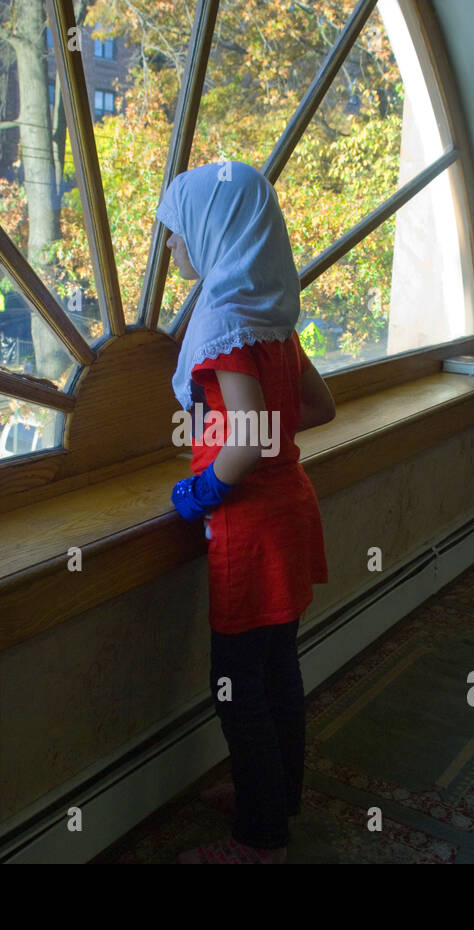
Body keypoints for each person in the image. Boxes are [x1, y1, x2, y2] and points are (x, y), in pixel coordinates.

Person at [156, 160, 336, 864]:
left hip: (251, 527)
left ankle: (261, 837)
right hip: (292, 508)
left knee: (235, 686)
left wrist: (205, 488)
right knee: (277, 670)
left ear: (215, 229)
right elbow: (318, 406)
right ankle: (278, 794)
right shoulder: (273, 316)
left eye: (177, 233)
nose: (171, 247)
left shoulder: (228, 321)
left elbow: (249, 432)